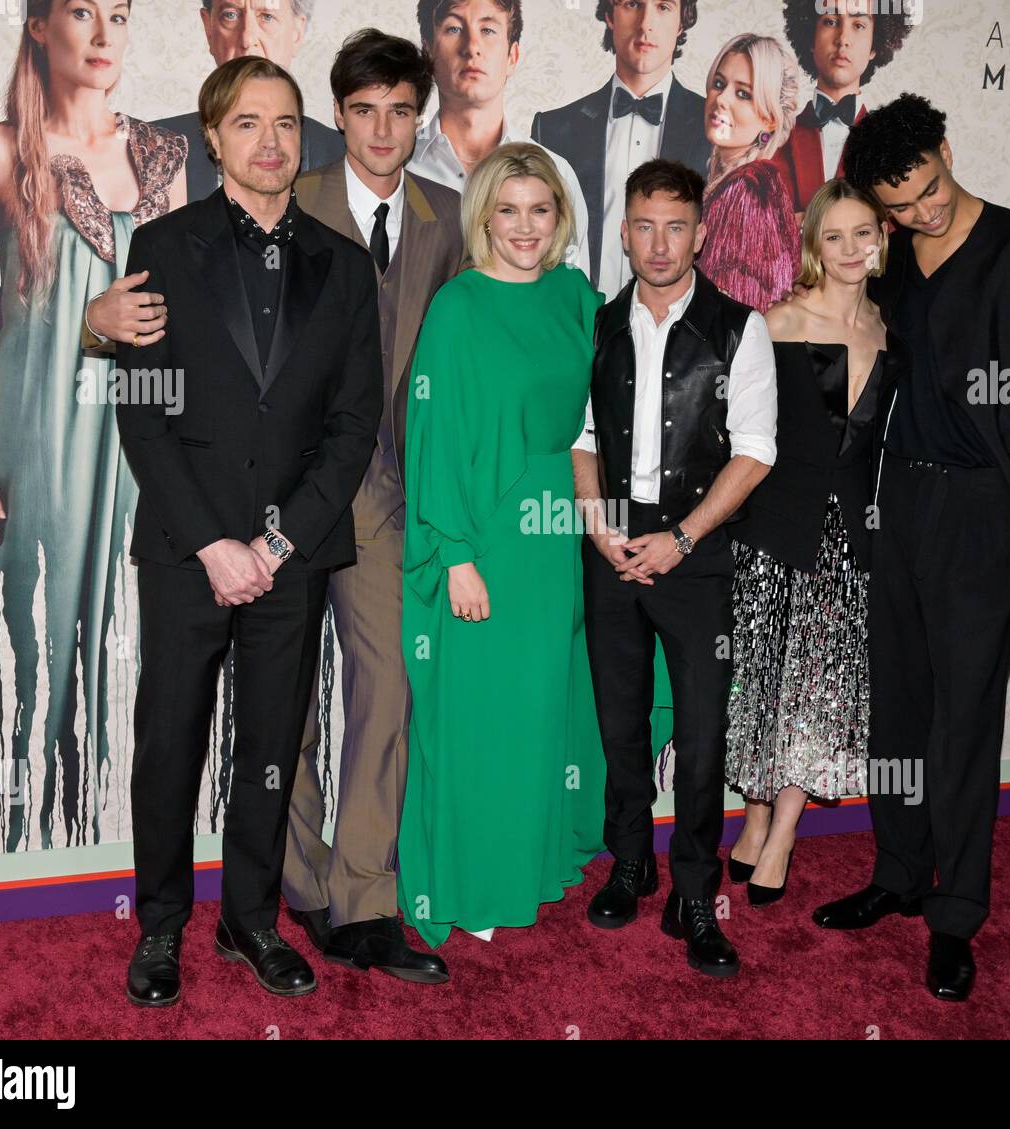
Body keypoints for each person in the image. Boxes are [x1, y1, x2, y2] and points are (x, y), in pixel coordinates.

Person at [812, 94, 1010, 1002]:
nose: (922, 211)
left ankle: (956, 910)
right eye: (901, 204)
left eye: (929, 188)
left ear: (945, 150)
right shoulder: (890, 262)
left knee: (964, 723)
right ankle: (898, 870)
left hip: (983, 509)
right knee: (898, 707)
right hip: (898, 500)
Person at [116, 56, 383, 1006]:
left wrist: (276, 545)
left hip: (293, 556)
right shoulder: (160, 241)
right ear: (214, 137)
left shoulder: (346, 266)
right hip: (189, 553)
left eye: (286, 123)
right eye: (248, 124)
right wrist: (214, 544)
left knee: (275, 740)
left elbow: (355, 424)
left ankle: (251, 919)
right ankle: (157, 928)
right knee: (170, 741)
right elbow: (140, 409)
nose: (271, 143)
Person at [0, 0, 186, 854]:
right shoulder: (0, 151)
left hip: (138, 444)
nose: (108, 35)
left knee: (131, 647)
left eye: (120, 14)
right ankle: (3, 860)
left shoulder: (161, 157)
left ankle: (112, 854)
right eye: (83, 12)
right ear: (39, 26)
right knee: (26, 644)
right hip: (30, 437)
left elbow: (174, 320)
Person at [282, 28, 463, 985]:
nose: (383, 128)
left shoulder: (449, 219)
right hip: (281, 500)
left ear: (419, 115)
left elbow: (471, 354)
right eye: (363, 110)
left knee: (386, 692)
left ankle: (362, 896)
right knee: (288, 706)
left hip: (386, 499)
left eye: (401, 110)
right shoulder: (290, 200)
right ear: (339, 114)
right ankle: (302, 879)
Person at [395, 142, 606, 947]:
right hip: (485, 538)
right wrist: (455, 556)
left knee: (544, 712)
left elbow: (607, 408)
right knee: (479, 718)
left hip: (559, 540)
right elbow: (434, 437)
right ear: (482, 217)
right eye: (506, 210)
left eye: (540, 209)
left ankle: (532, 863)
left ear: (561, 218)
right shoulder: (458, 307)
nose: (524, 226)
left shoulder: (576, 297)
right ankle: (473, 880)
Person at [574, 158, 777, 978]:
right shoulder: (599, 324)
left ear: (700, 233)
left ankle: (694, 893)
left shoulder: (740, 327)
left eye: (676, 226)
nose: (659, 243)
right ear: (624, 234)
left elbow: (756, 452)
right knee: (619, 721)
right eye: (644, 226)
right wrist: (595, 523)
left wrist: (684, 538)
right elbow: (584, 435)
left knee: (701, 737)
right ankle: (631, 861)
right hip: (613, 549)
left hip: (698, 558)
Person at [724, 179, 901, 907]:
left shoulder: (890, 333)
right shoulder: (777, 322)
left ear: (883, 242)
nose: (853, 248)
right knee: (765, 677)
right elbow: (744, 436)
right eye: (836, 236)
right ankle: (756, 810)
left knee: (819, 687)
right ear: (813, 247)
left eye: (865, 234)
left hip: (852, 537)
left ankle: (784, 832)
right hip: (775, 526)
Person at [531, 0, 709, 299]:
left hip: (683, 328)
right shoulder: (552, 130)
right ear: (610, 15)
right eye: (632, 4)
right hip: (580, 327)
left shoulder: (716, 130)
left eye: (663, 7)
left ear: (681, 22)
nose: (645, 24)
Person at [409, 0, 592, 279]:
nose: (472, 47)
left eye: (488, 30)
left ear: (512, 57)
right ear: (428, 51)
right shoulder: (400, 169)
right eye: (454, 28)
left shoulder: (556, 174)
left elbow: (569, 302)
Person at [151, 0, 345, 202]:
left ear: (297, 31)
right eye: (230, 15)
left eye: (267, 16)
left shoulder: (341, 155)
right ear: (209, 27)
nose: (247, 38)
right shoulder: (152, 150)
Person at [773, 0, 912, 216]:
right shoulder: (774, 141)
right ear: (811, 36)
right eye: (830, 21)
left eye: (858, 25)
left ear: (874, 45)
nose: (843, 39)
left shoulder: (894, 147)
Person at [695, 33, 802, 313]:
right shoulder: (747, 183)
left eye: (743, 93)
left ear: (769, 118)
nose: (721, 99)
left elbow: (738, 315)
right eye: (719, 84)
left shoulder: (747, 190)